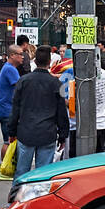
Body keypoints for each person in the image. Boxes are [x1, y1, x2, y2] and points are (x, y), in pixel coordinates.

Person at [11, 46, 71, 176]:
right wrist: (63, 134)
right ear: (49, 62)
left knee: (22, 171)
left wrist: (12, 130)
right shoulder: (56, 84)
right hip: (47, 132)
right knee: (43, 173)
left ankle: (19, 194)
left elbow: (15, 107)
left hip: (26, 131)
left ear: (35, 61)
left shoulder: (23, 81)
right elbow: (61, 111)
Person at [0, 45, 23, 154]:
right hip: (7, 110)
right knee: (9, 142)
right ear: (12, 55)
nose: (22, 57)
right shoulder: (10, 69)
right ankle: (5, 167)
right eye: (20, 54)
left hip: (5, 109)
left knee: (9, 141)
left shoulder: (8, 68)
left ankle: (4, 164)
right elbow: (20, 87)